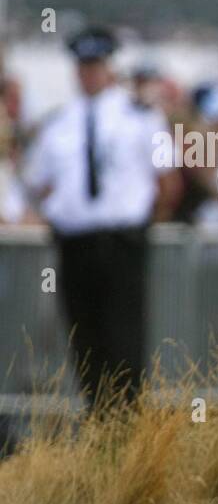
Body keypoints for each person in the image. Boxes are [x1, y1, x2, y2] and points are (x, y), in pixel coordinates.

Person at [22, 26, 180, 406]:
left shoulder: (139, 116)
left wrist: (145, 226)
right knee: (84, 338)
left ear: (108, 66)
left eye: (95, 65)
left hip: (122, 240)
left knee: (124, 338)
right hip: (75, 242)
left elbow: (167, 180)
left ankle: (126, 423)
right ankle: (97, 418)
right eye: (82, 66)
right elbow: (39, 183)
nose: (88, 74)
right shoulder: (59, 122)